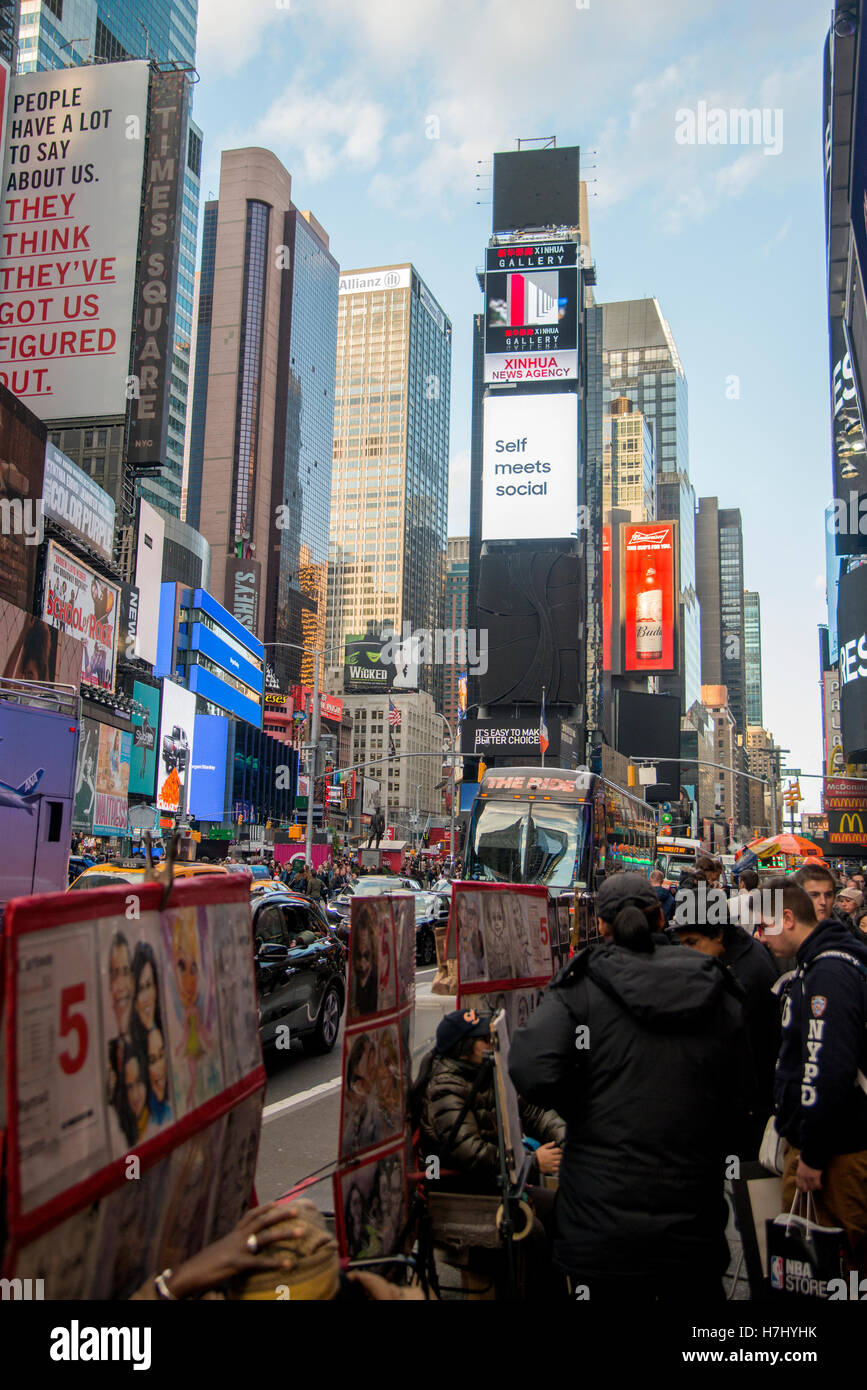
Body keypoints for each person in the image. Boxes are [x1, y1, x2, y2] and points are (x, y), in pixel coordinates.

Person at [509, 873, 752, 1301]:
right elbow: (742, 1090)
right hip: (691, 1223)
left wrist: (584, 1103)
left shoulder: (580, 983)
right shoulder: (713, 980)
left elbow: (529, 1069)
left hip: (600, 1230)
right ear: (661, 917)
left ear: (601, 926)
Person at [755, 875, 867, 1275]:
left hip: (836, 1156)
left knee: (834, 1268)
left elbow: (826, 1067)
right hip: (829, 1149)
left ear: (787, 918)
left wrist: (813, 1155)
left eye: (763, 926)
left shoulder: (828, 973)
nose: (762, 938)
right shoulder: (815, 967)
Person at [670, 884, 778, 1155]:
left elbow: (738, 1054)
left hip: (745, 1117)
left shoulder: (743, 975)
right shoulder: (738, 955)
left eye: (692, 943)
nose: (687, 953)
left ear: (718, 934)